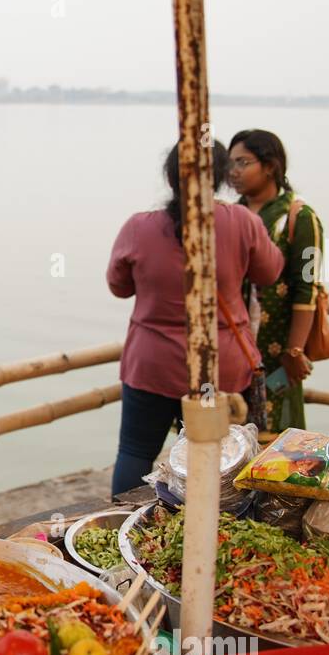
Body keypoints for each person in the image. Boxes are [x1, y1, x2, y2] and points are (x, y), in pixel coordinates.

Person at [105, 141, 284, 495]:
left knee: (136, 451)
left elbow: (118, 286)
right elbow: (270, 271)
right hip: (220, 366)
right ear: (220, 177)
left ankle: (123, 517)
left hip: (153, 364)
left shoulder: (139, 227)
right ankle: (218, 521)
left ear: (170, 177)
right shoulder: (242, 221)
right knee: (223, 456)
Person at [228, 128, 324, 432]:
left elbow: (307, 287)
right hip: (232, 345)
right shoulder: (229, 215)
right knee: (229, 431)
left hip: (276, 348)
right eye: (230, 163)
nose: (233, 171)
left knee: (277, 433)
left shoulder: (300, 218)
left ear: (270, 166)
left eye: (243, 162)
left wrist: (294, 350)